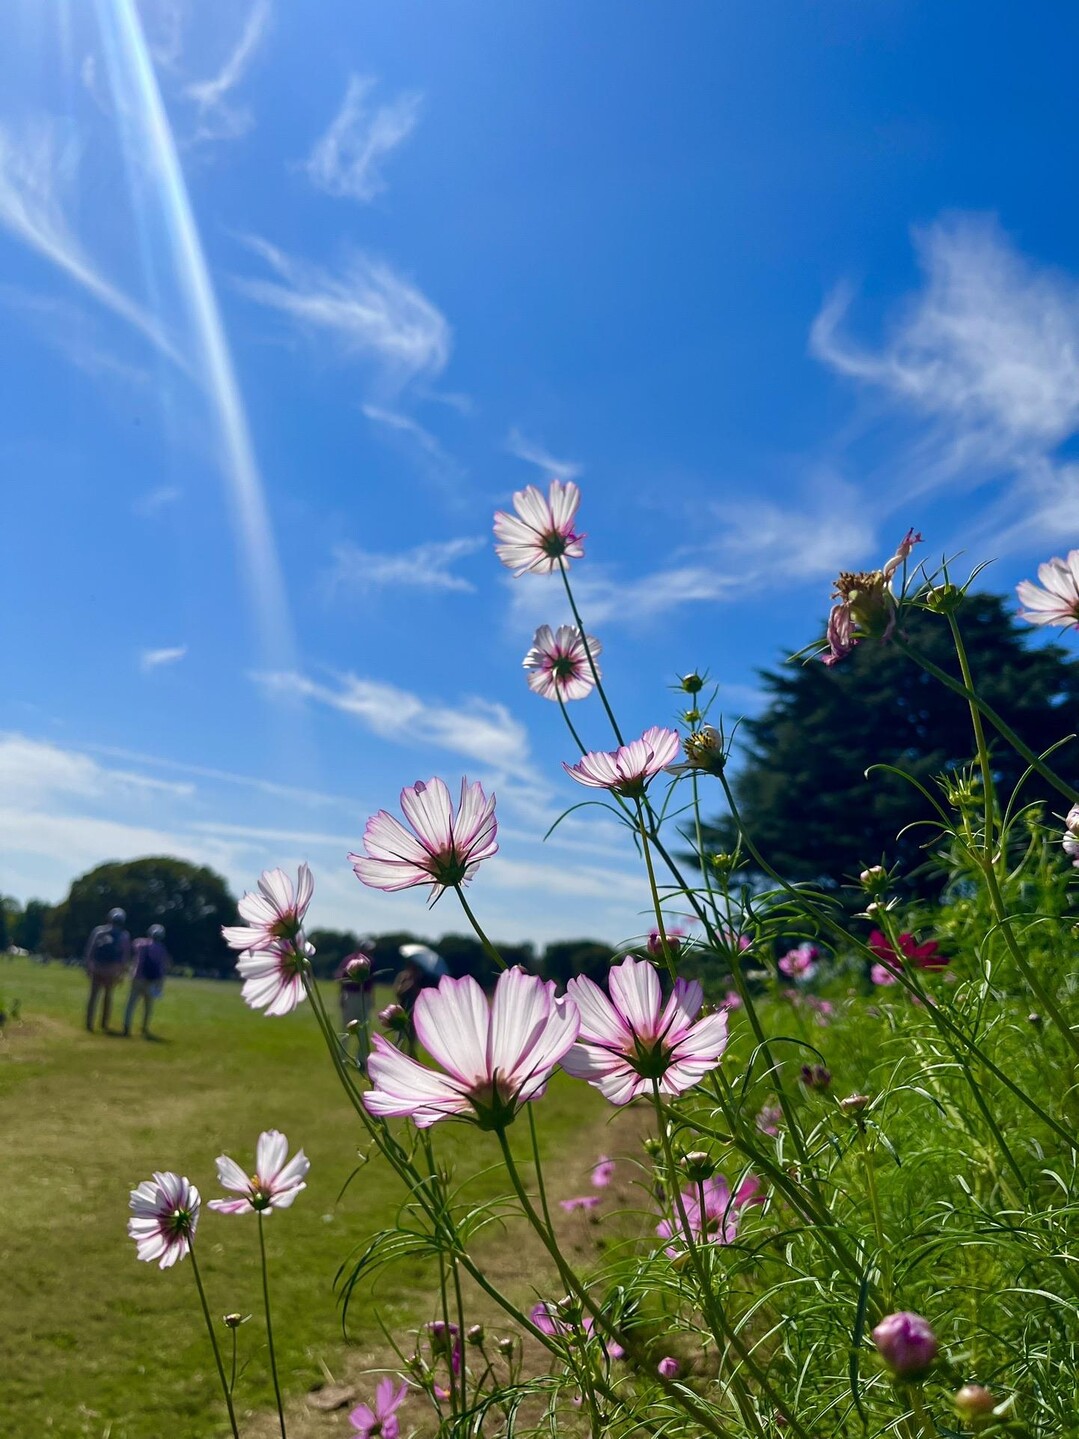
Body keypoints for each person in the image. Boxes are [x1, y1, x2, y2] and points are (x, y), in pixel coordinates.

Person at [84, 907, 131, 1033]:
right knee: (108, 997)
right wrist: (121, 973)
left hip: (97, 968)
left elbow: (90, 949)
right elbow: (125, 956)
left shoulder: (99, 932)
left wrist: (88, 966)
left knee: (93, 996)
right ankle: (104, 1023)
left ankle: (89, 1023)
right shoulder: (124, 936)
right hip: (112, 970)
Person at [124, 923, 170, 1039]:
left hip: (138, 978)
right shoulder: (162, 949)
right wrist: (160, 984)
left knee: (131, 1004)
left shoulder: (141, 944)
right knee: (148, 1006)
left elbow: (133, 944)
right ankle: (144, 1027)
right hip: (152, 980)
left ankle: (127, 1026)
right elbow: (162, 968)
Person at [335, 941, 376, 1069]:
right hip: (351, 994)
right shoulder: (350, 960)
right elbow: (341, 979)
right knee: (347, 1028)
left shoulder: (370, 962)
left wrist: (372, 998)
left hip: (364, 996)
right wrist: (342, 996)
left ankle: (361, 1059)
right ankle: (342, 1057)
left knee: (363, 1030)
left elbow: (372, 983)